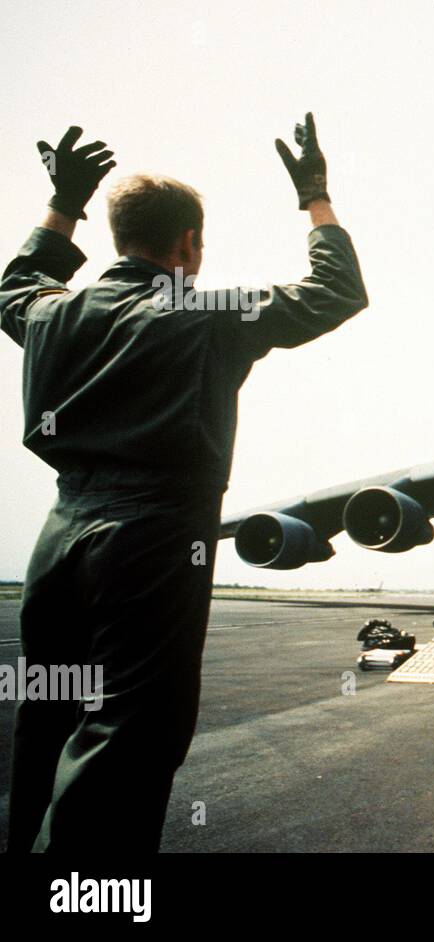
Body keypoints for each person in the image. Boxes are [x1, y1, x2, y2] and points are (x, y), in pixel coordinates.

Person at [1, 114, 368, 852]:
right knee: (131, 731)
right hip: (153, 539)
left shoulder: (50, 312)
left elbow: (14, 283)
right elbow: (336, 290)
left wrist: (64, 201)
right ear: (190, 245)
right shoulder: (207, 313)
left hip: (61, 534)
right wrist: (315, 195)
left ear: (114, 238)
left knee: (51, 712)